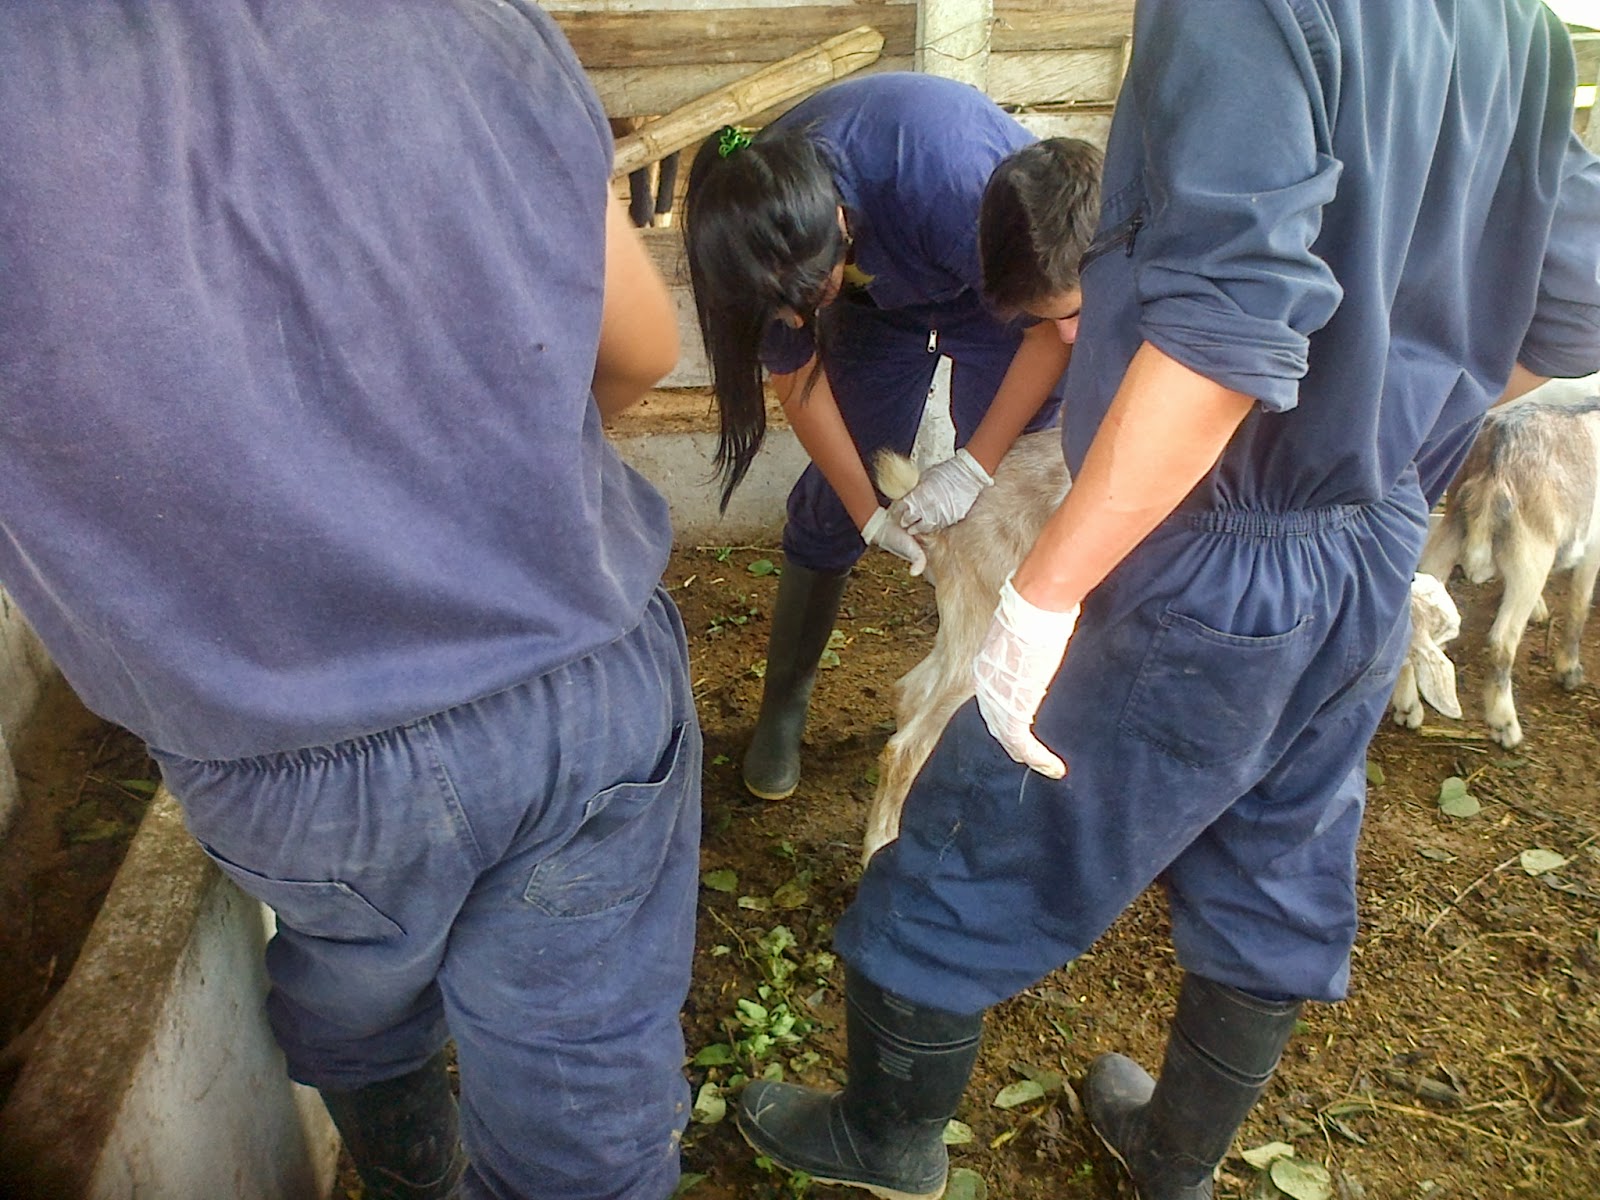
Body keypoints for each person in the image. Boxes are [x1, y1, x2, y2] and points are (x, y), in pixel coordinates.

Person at [735, 5, 1600, 1200]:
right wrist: (1380, 446)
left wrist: (1042, 595)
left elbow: (1222, 334)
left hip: (1208, 535)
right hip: (1373, 526)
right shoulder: (1514, 23)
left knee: (958, 850)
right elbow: (1570, 296)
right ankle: (1172, 1164)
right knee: (1279, 862)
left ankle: (886, 1142)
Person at [0, 5, 699, 1200]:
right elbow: (637, 347)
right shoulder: (463, 20)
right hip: (573, 682)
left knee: (356, 979)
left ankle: (402, 1168)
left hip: (273, 750)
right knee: (578, 1088)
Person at [682, 73, 1102, 800]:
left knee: (1005, 498)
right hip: (880, 306)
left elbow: (1048, 324)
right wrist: (867, 513)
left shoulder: (951, 181)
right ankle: (784, 705)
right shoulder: (754, 241)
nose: (795, 316)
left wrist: (975, 464)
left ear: (842, 222)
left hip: (996, 294)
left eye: (810, 297)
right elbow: (799, 378)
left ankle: (992, 703)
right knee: (834, 498)